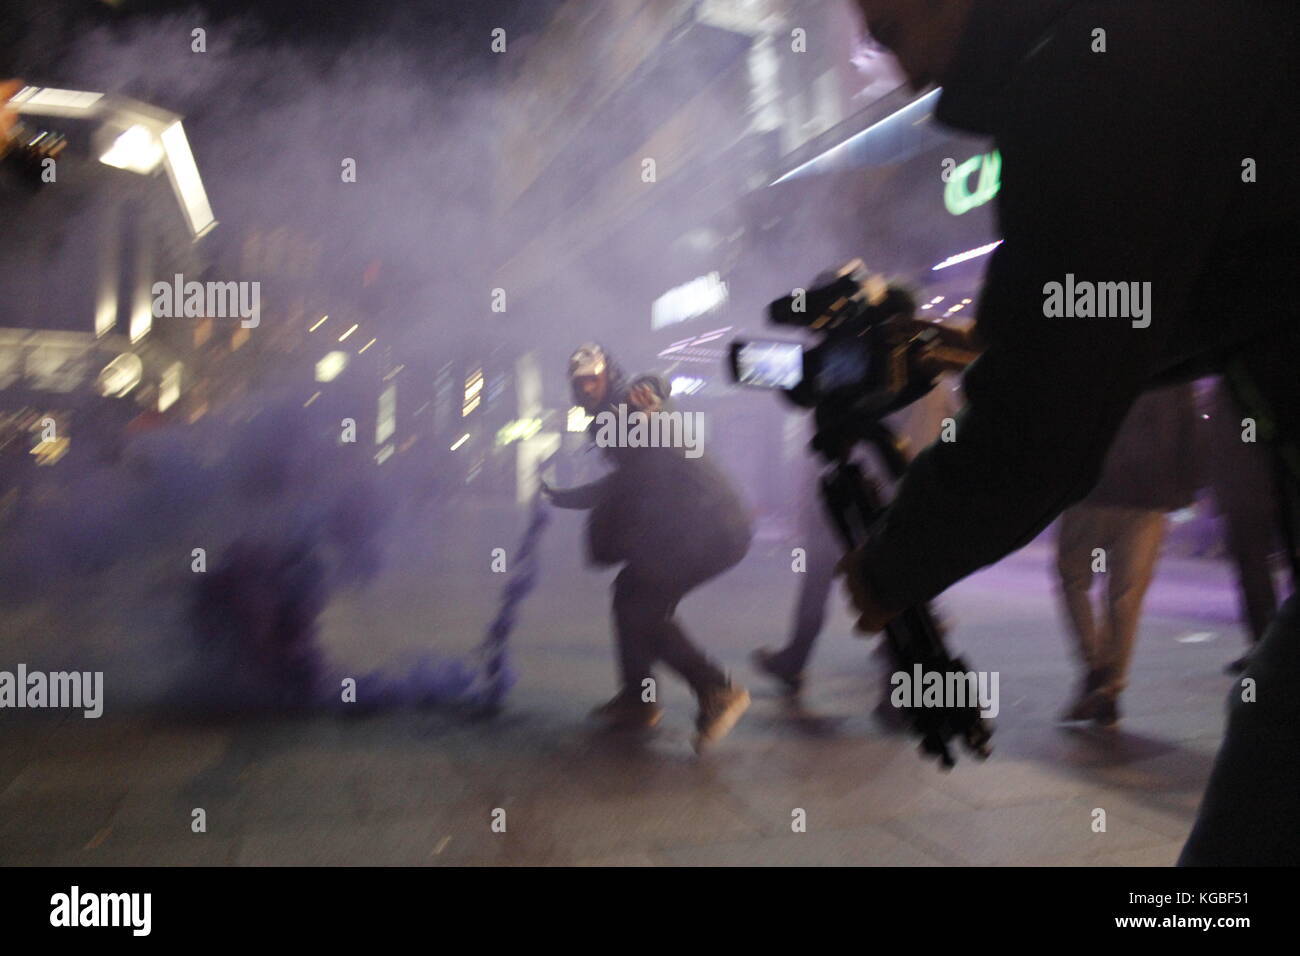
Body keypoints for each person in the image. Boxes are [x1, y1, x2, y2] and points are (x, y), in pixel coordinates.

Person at [842, 1, 1299, 865]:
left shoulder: (1091, 63)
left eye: (894, 33)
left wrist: (895, 560)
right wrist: (988, 346)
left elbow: (1043, 409)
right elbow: (1137, 312)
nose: (902, 76)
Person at [542, 343, 754, 752]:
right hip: (700, 525)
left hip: (713, 525)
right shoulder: (610, 421)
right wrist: (565, 497)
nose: (587, 388)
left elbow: (652, 387)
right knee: (630, 593)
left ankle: (717, 690)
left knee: (643, 607)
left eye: (593, 379)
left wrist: (651, 390)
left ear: (610, 376)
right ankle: (638, 699)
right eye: (580, 382)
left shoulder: (628, 406)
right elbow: (622, 483)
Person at [1055, 385, 1199, 727]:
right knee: (1126, 596)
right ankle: (1108, 686)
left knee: (1074, 579)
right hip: (1148, 495)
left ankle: (1096, 670)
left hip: (1092, 489)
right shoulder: (1173, 352)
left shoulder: (1089, 343)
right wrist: (1183, 490)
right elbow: (1189, 427)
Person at [1204, 378, 1290, 673]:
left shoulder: (1233, 386)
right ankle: (1267, 648)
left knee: (1253, 574)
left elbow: (1221, 443)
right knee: (1254, 574)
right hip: (1256, 492)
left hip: (1249, 493)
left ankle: (1265, 648)